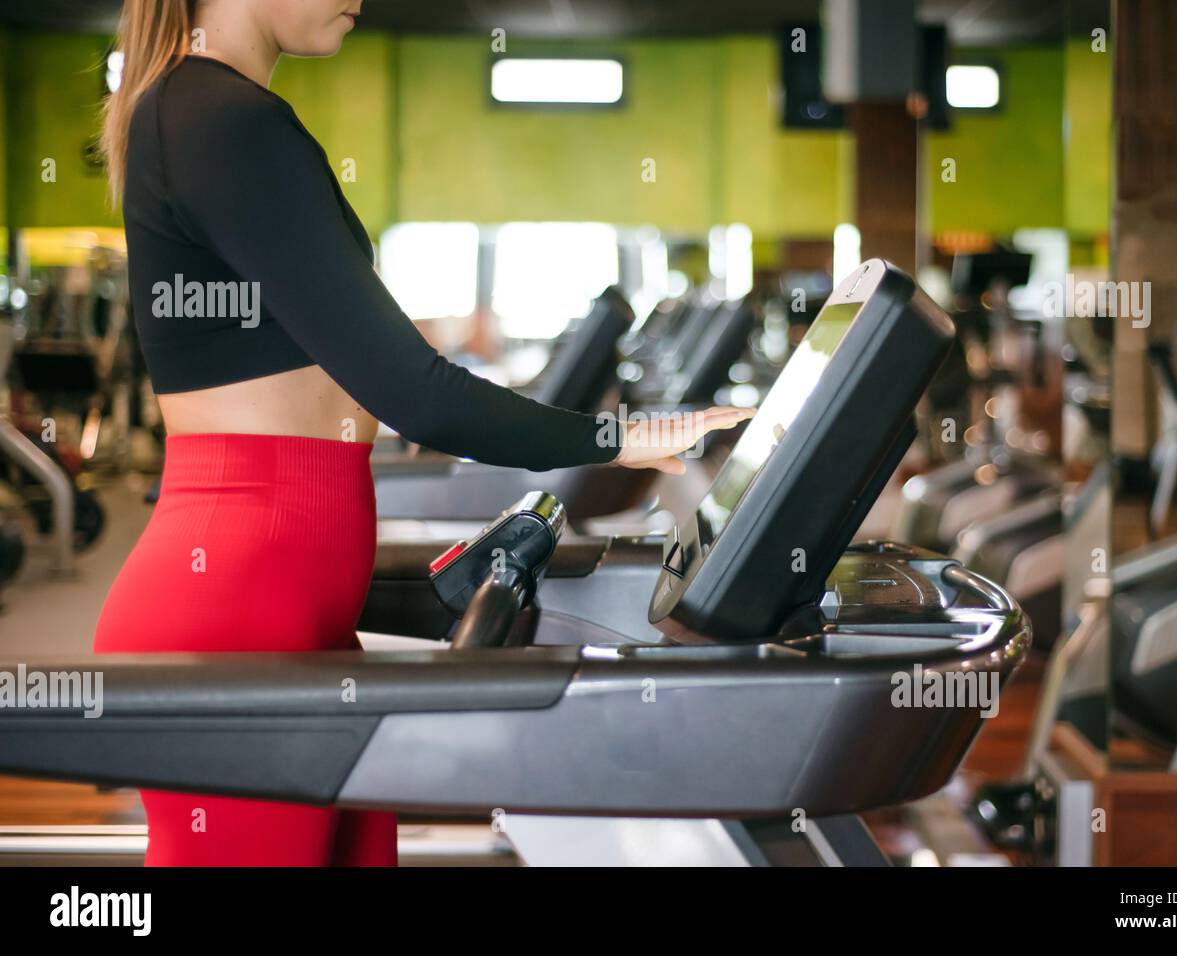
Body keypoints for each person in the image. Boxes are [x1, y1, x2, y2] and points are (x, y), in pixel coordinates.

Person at [93, 0, 753, 867]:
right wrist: (618, 437)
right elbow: (418, 394)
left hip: (288, 611)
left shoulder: (202, 111)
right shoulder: (221, 118)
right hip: (240, 610)